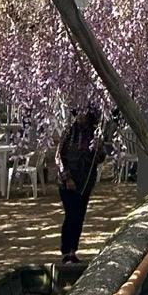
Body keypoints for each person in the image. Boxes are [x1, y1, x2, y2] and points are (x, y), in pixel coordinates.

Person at [55, 105, 106, 265]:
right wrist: (67, 178)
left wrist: (98, 149)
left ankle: (73, 250)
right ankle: (66, 251)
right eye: (78, 113)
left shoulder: (94, 133)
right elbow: (59, 157)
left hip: (85, 181)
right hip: (68, 182)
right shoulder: (69, 133)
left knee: (79, 216)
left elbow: (100, 159)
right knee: (71, 215)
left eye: (83, 113)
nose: (80, 116)